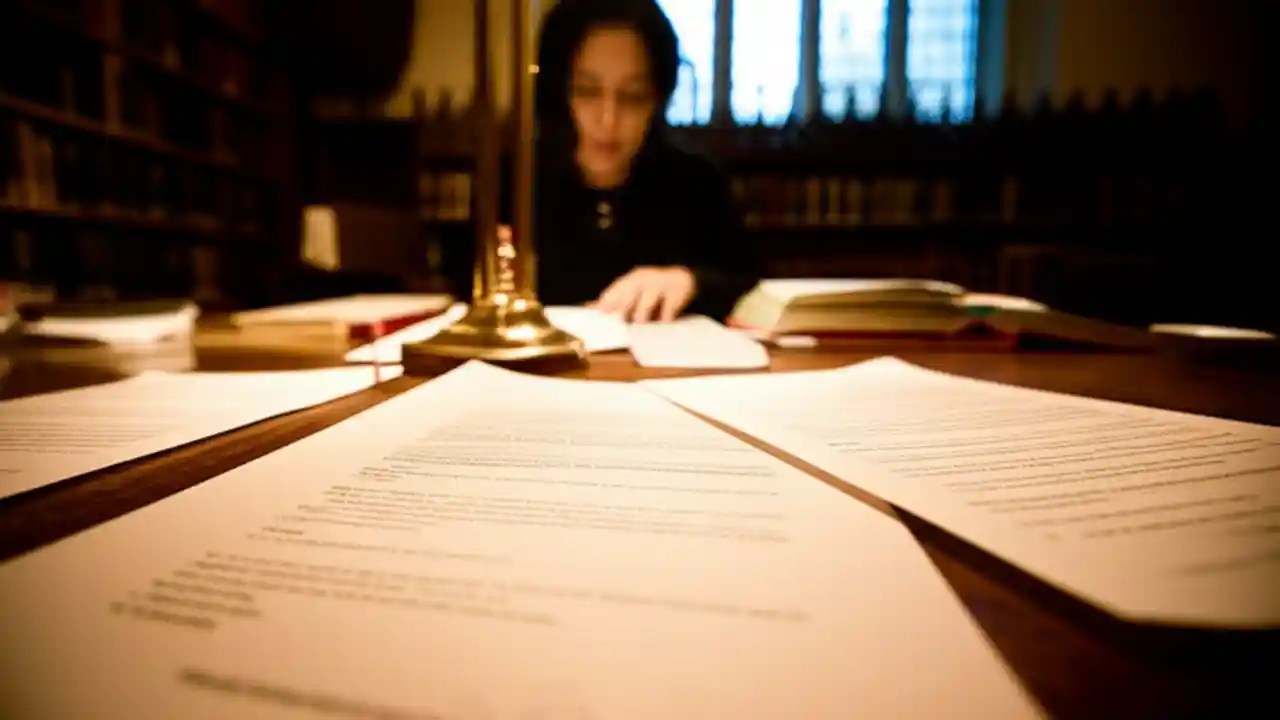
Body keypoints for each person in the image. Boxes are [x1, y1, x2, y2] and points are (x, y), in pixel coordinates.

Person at [525, 0, 759, 323]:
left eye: (633, 96)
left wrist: (691, 281)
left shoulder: (697, 182)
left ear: (658, 100)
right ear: (558, 93)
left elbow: (750, 286)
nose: (608, 120)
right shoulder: (518, 181)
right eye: (587, 91)